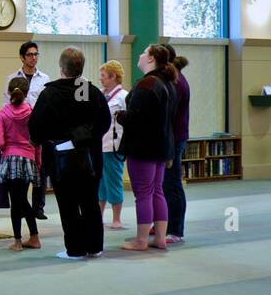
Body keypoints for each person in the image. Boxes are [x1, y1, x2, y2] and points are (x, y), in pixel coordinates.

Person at [28, 47, 111, 261]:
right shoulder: (88, 90)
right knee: (90, 201)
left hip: (61, 157)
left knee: (68, 204)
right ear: (81, 67)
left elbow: (35, 126)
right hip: (89, 156)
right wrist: (87, 137)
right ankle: (94, 246)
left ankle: (75, 249)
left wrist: (45, 139)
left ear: (61, 67)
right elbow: (104, 122)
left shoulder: (51, 92)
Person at [115, 44, 177, 252]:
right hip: (161, 146)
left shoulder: (146, 84)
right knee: (157, 191)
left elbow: (136, 118)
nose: (140, 55)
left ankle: (141, 240)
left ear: (151, 59)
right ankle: (159, 237)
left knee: (143, 193)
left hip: (143, 147)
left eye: (144, 52)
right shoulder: (168, 83)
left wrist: (120, 116)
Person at [0, 76, 42, 251]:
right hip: (28, 159)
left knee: (16, 202)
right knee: (22, 199)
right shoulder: (32, 113)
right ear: (27, 93)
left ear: (9, 93)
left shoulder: (2, 114)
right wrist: (37, 161)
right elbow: (37, 140)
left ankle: (17, 241)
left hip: (10, 159)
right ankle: (34, 237)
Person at [6, 42, 52, 220]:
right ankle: (23, 205)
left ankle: (38, 207)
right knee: (23, 170)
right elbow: (6, 103)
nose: (34, 57)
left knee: (41, 169)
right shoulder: (12, 78)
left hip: (39, 128)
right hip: (20, 130)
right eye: (30, 54)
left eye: (36, 54)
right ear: (22, 57)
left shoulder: (45, 78)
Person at [162, 46, 190, 245]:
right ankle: (164, 223)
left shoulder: (177, 83)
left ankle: (175, 229)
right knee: (164, 185)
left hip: (174, 139)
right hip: (171, 138)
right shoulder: (174, 79)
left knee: (172, 185)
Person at [98, 60, 128, 230]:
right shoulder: (101, 95)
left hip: (114, 146)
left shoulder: (124, 97)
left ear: (113, 77)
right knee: (99, 182)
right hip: (99, 146)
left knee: (113, 181)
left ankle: (117, 218)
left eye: (103, 76)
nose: (101, 79)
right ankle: (99, 215)